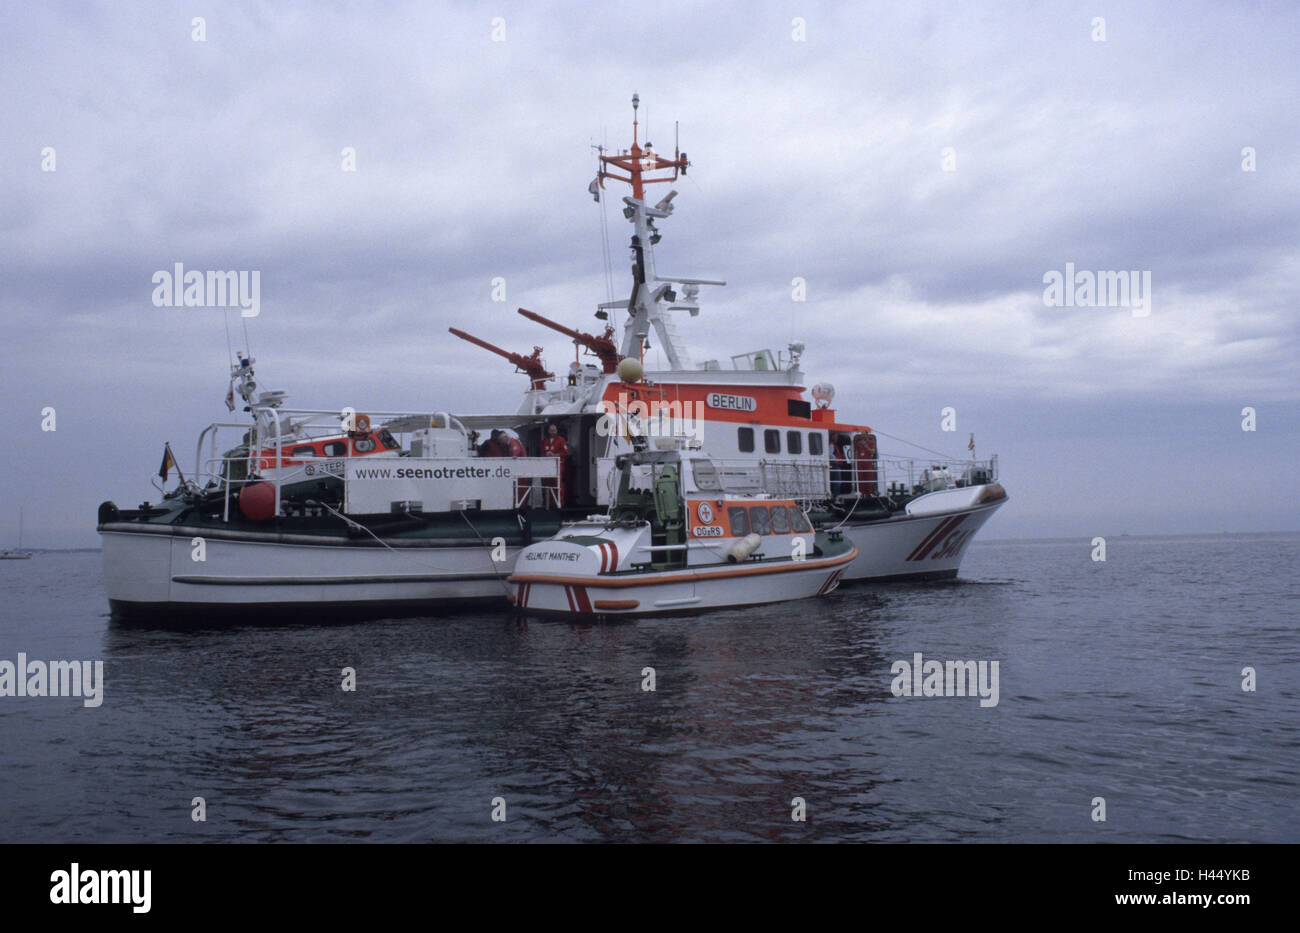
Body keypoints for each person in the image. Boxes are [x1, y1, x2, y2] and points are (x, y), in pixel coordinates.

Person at [540, 423, 569, 506]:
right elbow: (542, 453)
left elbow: (565, 452)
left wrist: (554, 455)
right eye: (551, 430)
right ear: (548, 431)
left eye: (555, 430)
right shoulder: (544, 441)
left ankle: (559, 503)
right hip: (547, 466)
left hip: (557, 465)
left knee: (557, 484)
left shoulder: (561, 440)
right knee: (546, 484)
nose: (553, 432)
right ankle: (547, 503)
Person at [830, 433, 852, 499]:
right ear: (833, 437)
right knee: (837, 482)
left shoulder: (835, 445)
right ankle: (836, 496)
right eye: (836, 437)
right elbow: (830, 454)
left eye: (837, 437)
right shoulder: (831, 445)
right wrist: (836, 460)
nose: (837, 438)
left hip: (836, 465)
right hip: (835, 466)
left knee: (837, 481)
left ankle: (836, 495)